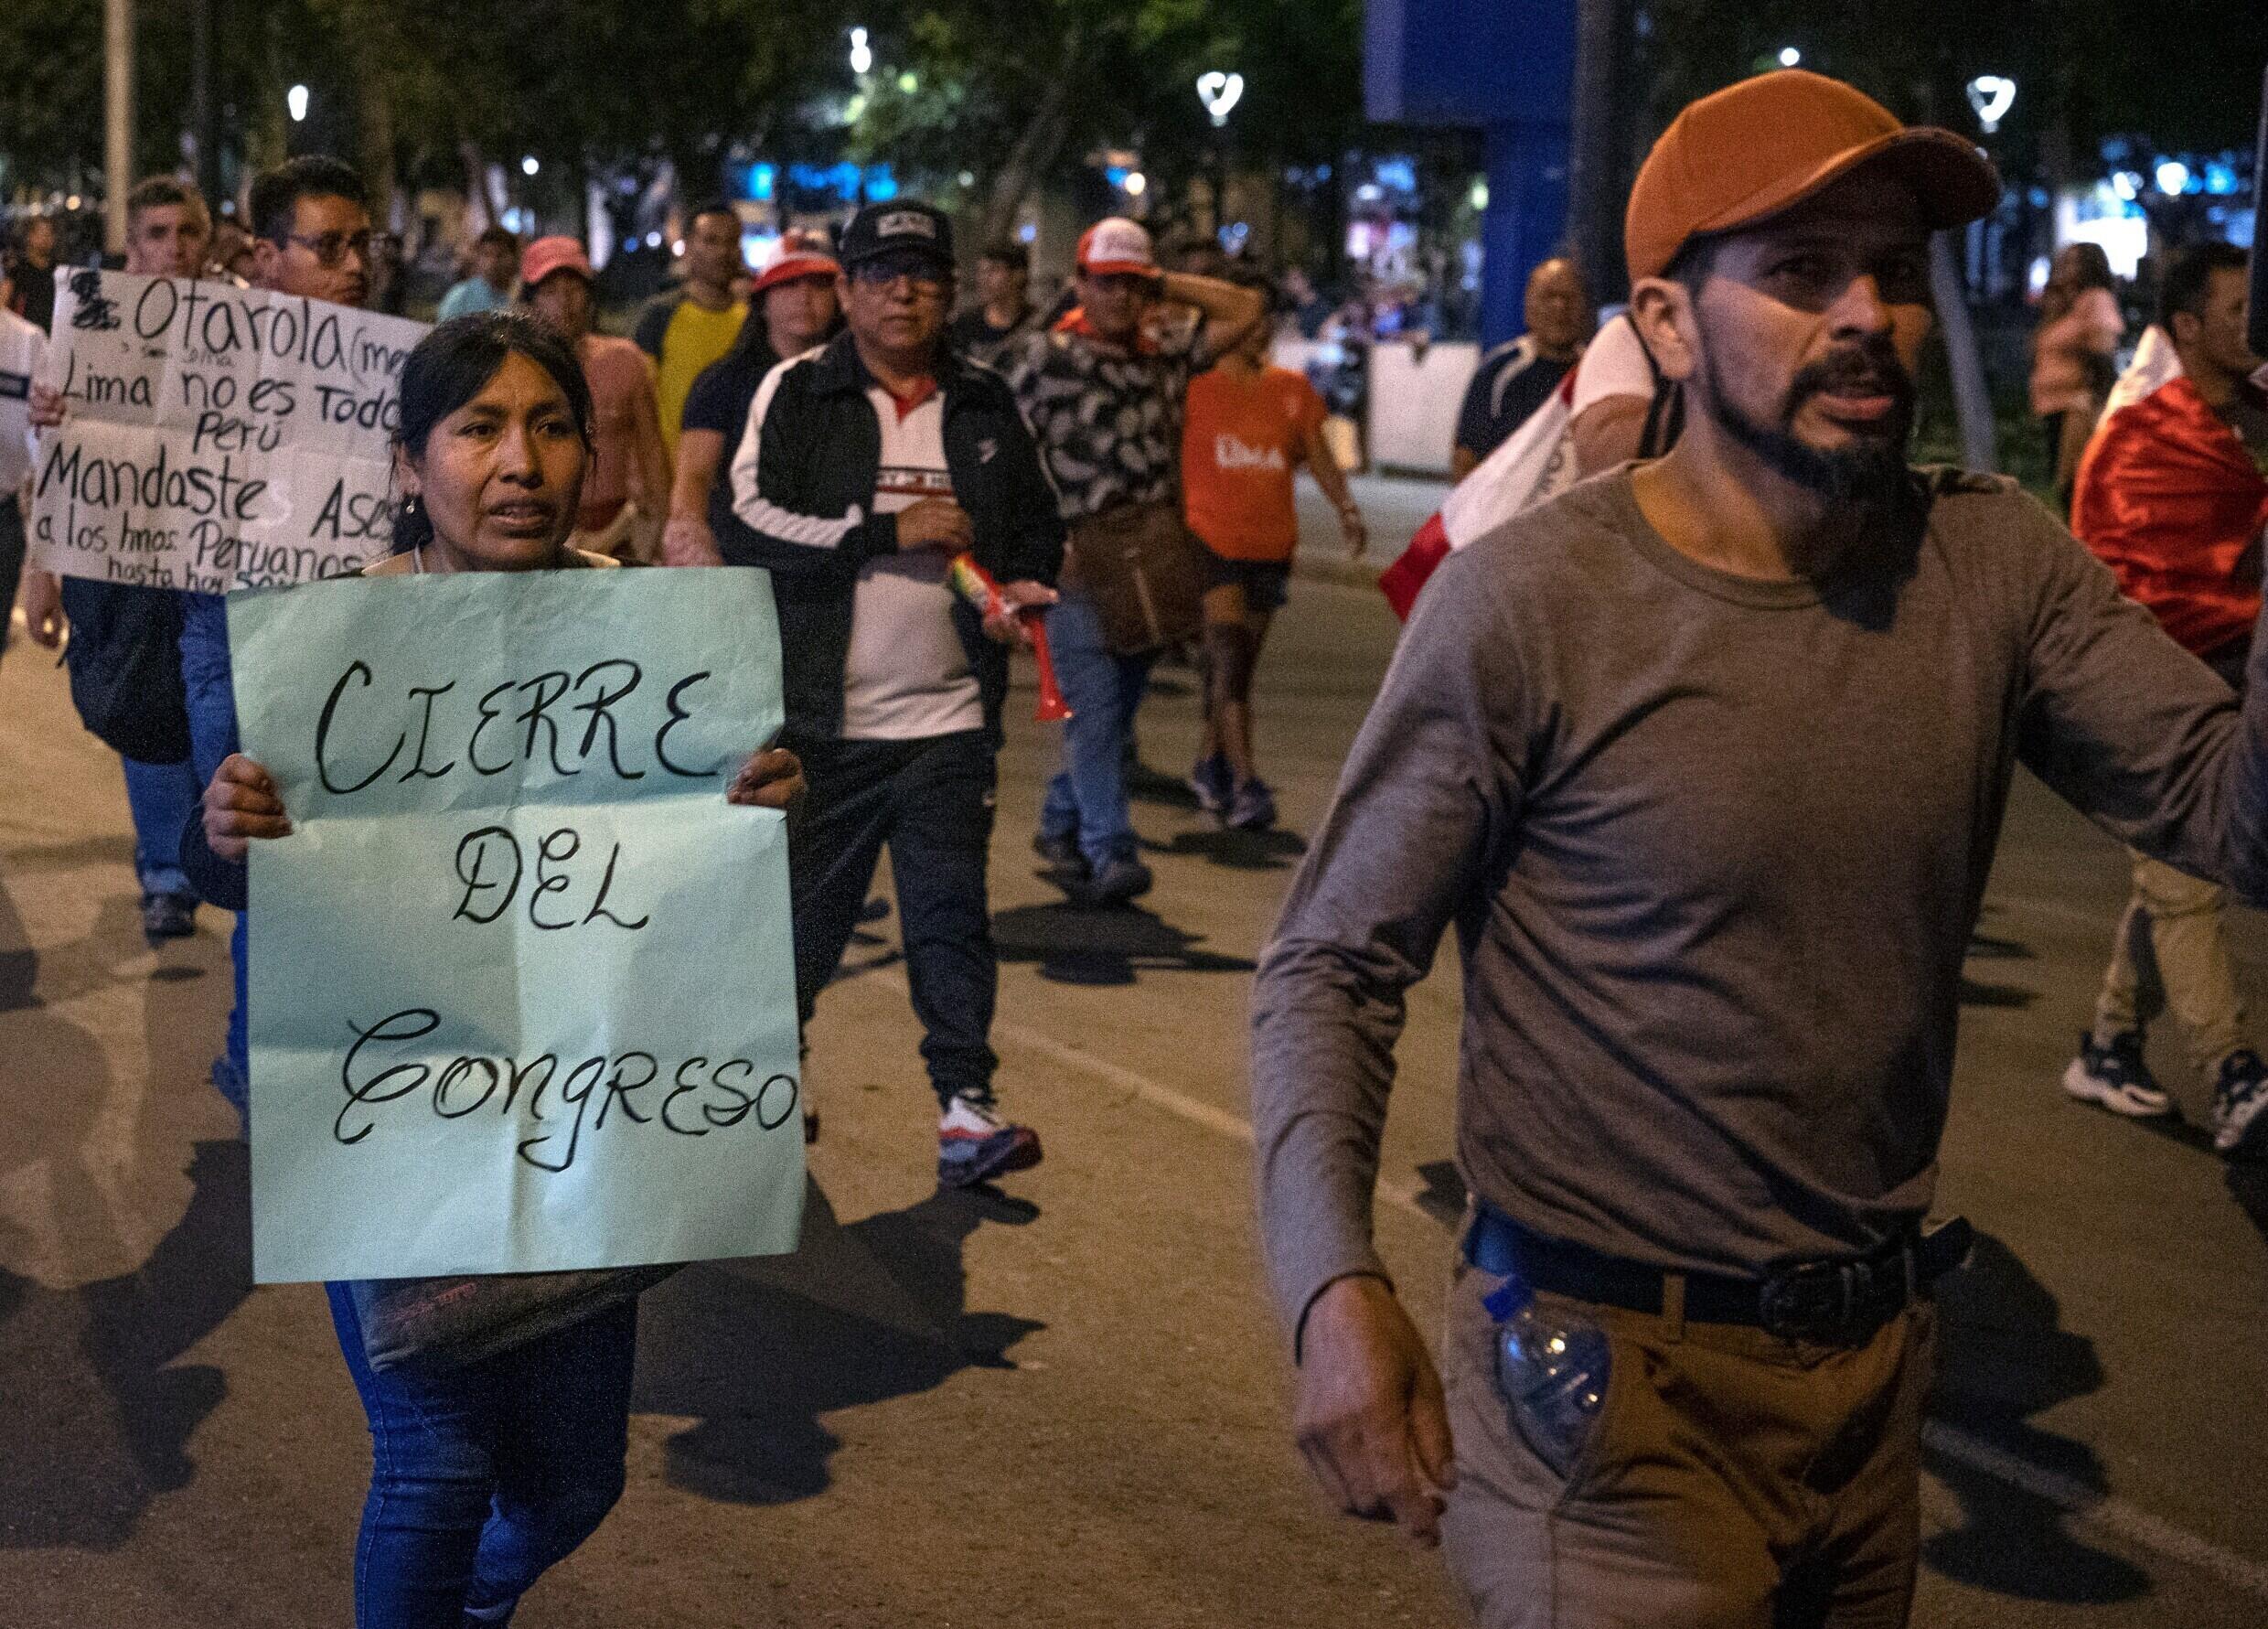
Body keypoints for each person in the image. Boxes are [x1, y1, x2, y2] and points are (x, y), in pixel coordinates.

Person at [1249, 67, 2268, 1625]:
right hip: (1596, 1406)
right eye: (1800, 273)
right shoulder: (1531, 605)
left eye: (1898, 273)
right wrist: (1334, 1287)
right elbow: (1331, 960)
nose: (1869, 312)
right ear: (1664, 323)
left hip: (1872, 1398)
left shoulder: (1994, 563)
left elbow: (2230, 820)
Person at [183, 309, 805, 1629]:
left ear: (589, 453)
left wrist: (752, 804)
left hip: (589, 1127)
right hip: (400, 1115)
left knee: (576, 1483)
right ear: (411, 465)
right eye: (478, 429)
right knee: (436, 1459)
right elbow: (251, 874)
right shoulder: (337, 648)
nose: (518, 460)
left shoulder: (651, 644)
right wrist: (222, 826)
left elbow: (696, 886)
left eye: (550, 425)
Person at [727, 198, 1064, 1187]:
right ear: (844, 291)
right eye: (880, 272)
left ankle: (966, 1108)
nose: (903, 289)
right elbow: (743, 518)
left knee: (950, 917)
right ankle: (769, 1081)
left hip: (949, 722)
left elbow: (1035, 530)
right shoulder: (797, 392)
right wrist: (880, 532)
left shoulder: (986, 401)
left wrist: (1023, 591)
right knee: (800, 923)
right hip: (824, 729)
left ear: (950, 289)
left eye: (922, 271)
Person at [2061, 241, 2268, 1156]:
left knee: (2171, 876)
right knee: (2185, 878)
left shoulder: (2251, 417)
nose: (2251, 326)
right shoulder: (2140, 436)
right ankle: (2231, 1068)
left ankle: (2107, 1042)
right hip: (2158, 694)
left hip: (2240, 683)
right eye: (2235, 311)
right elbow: (2123, 584)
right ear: (2185, 327)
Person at [1003, 217, 1265, 905]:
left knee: (1117, 708)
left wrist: (1163, 280)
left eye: (1130, 285)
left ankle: (1062, 818)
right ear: (1079, 283)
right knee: (1092, 709)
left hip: (1153, 557)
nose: (1118, 298)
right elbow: (999, 450)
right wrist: (1026, 546)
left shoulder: (1167, 351)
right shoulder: (1042, 356)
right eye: (1105, 282)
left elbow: (1246, 308)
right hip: (1075, 556)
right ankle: (1110, 847)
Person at [17, 176, 216, 943]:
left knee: (210, 705)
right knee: (139, 709)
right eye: (157, 234)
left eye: (187, 232)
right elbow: (56, 459)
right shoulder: (88, 330)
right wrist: (44, 571)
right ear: (132, 248)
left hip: (208, 558)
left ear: (209, 239)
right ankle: (166, 871)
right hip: (117, 563)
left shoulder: (251, 326)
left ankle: (205, 859)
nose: (173, 248)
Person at [1182, 273, 1365, 829]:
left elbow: (1319, 454)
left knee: (1236, 671)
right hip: (1211, 543)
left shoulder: (1292, 391)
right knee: (1231, 661)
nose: (1257, 331)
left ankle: (1210, 762)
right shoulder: (1191, 390)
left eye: (1265, 320)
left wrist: (1347, 509)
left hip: (1270, 548)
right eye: (1245, 319)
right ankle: (1247, 785)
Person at [661, 229, 840, 570]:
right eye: (789, 284)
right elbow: (693, 482)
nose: (805, 297)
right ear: (763, 300)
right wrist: (703, 564)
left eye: (819, 285)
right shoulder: (724, 383)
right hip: (744, 566)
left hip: (835, 565)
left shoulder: (855, 380)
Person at [521, 235, 669, 563]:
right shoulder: (515, 371)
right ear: (530, 302)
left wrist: (661, 529)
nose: (564, 302)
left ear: (589, 297)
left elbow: (652, 453)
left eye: (573, 289)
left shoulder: (624, 360)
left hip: (616, 527)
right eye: (550, 291)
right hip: (538, 528)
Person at [1450, 257, 1595, 481]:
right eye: (1549, 296)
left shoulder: (1598, 372)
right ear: (1528, 305)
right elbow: (1465, 462)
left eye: (1569, 298)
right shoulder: (1497, 372)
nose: (1560, 306)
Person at [634, 200, 747, 461]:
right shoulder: (659, 315)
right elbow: (639, 403)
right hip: (673, 475)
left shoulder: (752, 320)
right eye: (710, 241)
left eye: (731, 242)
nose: (722, 252)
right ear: (688, 247)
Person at [2029, 241, 2124, 507]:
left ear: (2089, 266)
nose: (2065, 266)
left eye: (2073, 261)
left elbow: (2103, 352)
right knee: (2064, 486)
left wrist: (2094, 401)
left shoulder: (2096, 300)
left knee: (2073, 484)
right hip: (2054, 405)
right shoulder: (2069, 304)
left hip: (2077, 406)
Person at [946, 238, 1038, 363]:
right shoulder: (965, 324)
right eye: (981, 271)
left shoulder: (1036, 323)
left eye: (993, 270)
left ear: (1018, 275)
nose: (984, 279)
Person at [438, 225, 519, 323]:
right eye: (486, 254)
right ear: (478, 258)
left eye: (500, 255)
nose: (492, 262)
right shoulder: (460, 297)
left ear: (514, 258)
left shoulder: (521, 296)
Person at [7, 213, 59, 333]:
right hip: (25, 340)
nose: (46, 238)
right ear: (30, 236)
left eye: (49, 234)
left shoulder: (60, 272)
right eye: (41, 233)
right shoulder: (17, 271)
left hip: (52, 339)